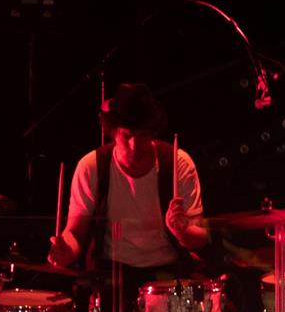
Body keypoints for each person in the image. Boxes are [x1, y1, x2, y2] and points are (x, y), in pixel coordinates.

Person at [49, 83, 209, 270]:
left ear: (152, 133)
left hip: (169, 274)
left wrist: (182, 231)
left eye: (142, 135)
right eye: (127, 136)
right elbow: (75, 232)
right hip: (112, 275)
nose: (135, 146)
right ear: (114, 132)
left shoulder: (178, 163)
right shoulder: (90, 167)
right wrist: (65, 251)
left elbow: (200, 239)